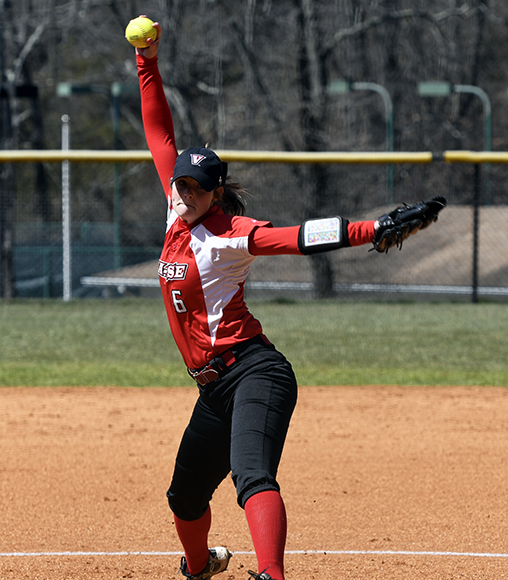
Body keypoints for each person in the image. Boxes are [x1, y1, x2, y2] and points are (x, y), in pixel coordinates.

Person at [131, 17, 444, 580]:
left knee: (251, 477)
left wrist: (373, 230)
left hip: (255, 372)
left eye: (196, 188)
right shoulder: (178, 213)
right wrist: (147, 61)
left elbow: (302, 238)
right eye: (180, 185)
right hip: (211, 390)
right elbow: (159, 133)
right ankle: (200, 568)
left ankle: (272, 576)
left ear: (216, 192)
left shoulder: (233, 235)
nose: (184, 193)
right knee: (183, 499)